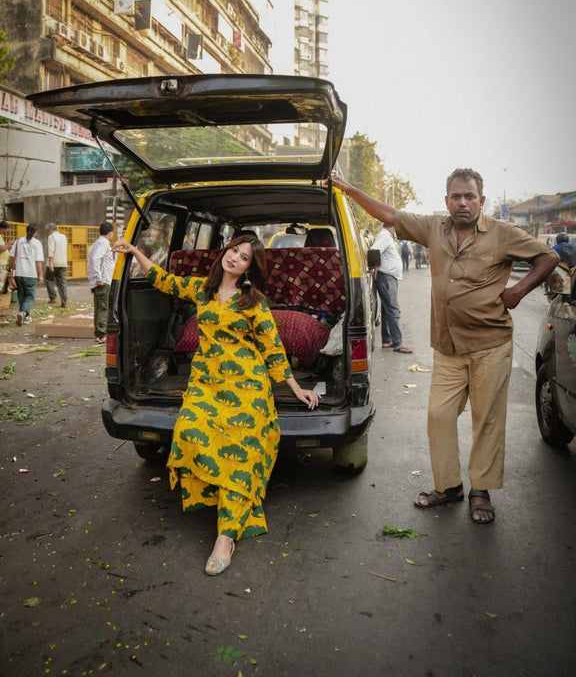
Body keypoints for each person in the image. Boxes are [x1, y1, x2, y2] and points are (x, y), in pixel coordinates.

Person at [330, 168, 558, 524]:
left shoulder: (502, 233)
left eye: (469, 196)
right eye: (456, 196)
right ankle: (449, 487)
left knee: (487, 421)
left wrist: (517, 291)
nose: (462, 203)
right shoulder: (434, 227)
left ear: (481, 201)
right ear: (446, 200)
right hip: (448, 348)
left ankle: (480, 490)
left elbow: (548, 257)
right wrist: (347, 188)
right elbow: (390, 214)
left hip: (490, 345)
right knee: (438, 416)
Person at [112, 232, 320, 575]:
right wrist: (136, 251)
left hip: (247, 386)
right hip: (206, 384)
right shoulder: (201, 290)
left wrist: (295, 388)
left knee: (240, 446)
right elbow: (163, 280)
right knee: (190, 431)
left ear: (250, 268)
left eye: (244, 257)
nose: (235, 258)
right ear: (225, 251)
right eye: (233, 250)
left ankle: (226, 535)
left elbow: (272, 347)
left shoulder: (253, 302)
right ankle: (214, 493)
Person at [372, 222, 412, 354]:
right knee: (393, 310)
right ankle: (398, 343)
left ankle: (387, 340)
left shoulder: (387, 236)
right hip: (386, 276)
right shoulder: (384, 236)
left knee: (387, 309)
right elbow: (374, 251)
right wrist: (376, 266)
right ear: (393, 225)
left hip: (389, 276)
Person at [7, 223, 44, 325]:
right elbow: (38, 261)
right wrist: (40, 275)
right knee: (30, 297)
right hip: (30, 274)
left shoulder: (18, 241)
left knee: (22, 296)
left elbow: (12, 258)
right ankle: (23, 312)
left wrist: (9, 269)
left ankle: (25, 317)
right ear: (35, 233)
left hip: (19, 273)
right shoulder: (37, 243)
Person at [87, 222, 115, 343]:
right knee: (103, 308)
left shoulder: (95, 244)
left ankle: (98, 334)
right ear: (110, 233)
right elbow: (96, 258)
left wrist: (93, 279)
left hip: (98, 281)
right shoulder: (104, 243)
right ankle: (102, 335)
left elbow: (90, 262)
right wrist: (98, 277)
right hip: (103, 280)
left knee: (99, 308)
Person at [45, 223, 68, 307]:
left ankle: (53, 297)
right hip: (63, 262)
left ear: (50, 229)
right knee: (62, 283)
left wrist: (50, 263)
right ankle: (64, 302)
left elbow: (51, 250)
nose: (47, 232)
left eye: (47, 230)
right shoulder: (64, 236)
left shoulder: (51, 237)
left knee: (48, 279)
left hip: (54, 262)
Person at [0, 220, 11, 292]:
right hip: (1, 263)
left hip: (3, 262)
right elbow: (1, 249)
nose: (6, 231)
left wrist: (7, 246)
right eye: (6, 229)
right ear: (2, 228)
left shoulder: (0, 236)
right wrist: (8, 244)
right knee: (1, 282)